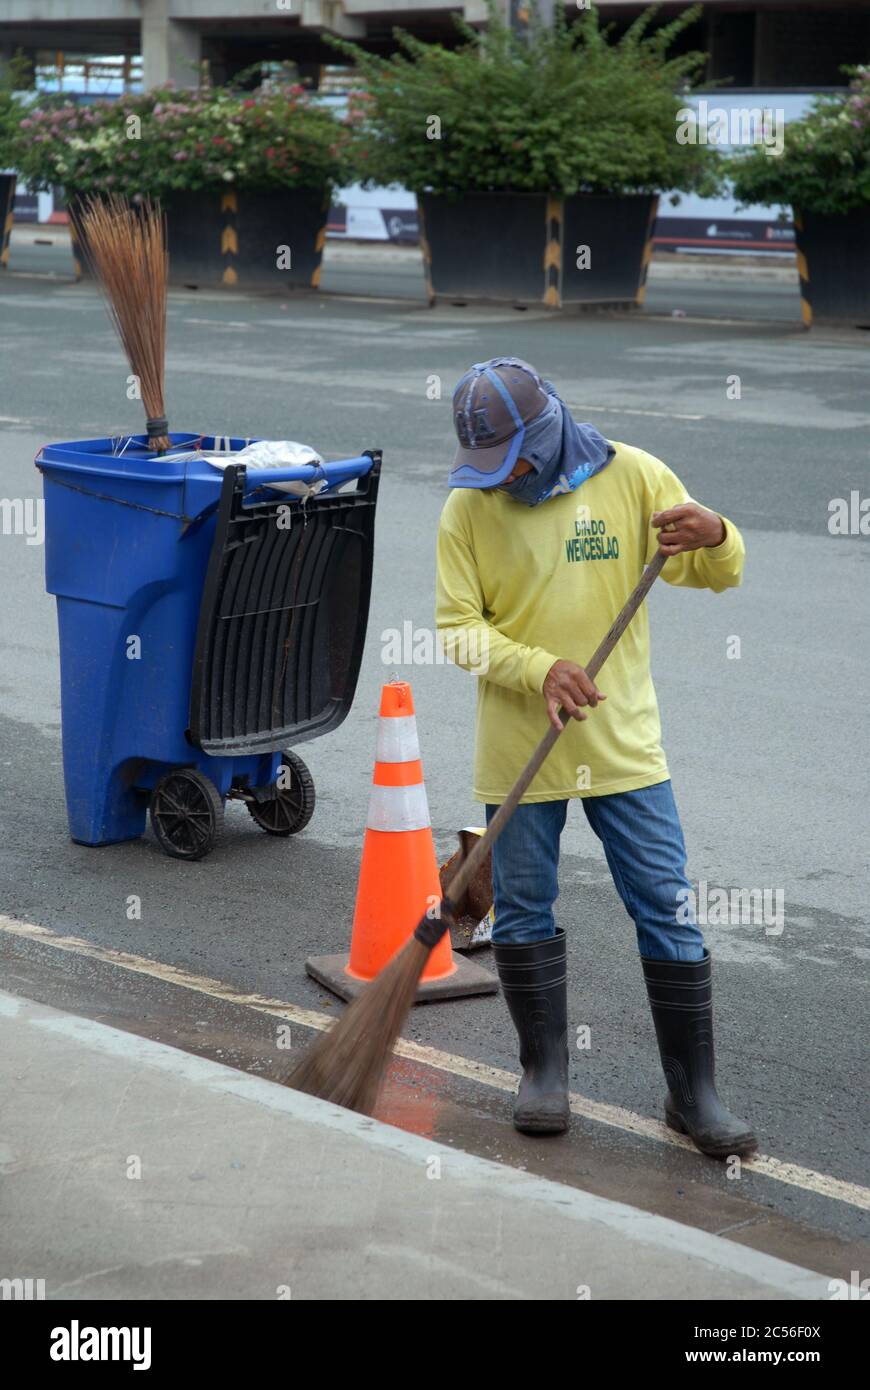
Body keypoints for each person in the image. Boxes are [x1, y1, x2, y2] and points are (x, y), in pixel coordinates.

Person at [435, 356, 756, 1160]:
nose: (497, 480)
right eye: (484, 467)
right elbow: (457, 628)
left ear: (546, 435)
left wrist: (715, 533)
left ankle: (694, 1095)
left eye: (509, 461)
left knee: (666, 904)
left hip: (625, 748)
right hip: (519, 752)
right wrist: (537, 668)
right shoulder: (466, 512)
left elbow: (722, 572)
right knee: (526, 906)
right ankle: (542, 1072)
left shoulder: (637, 478)